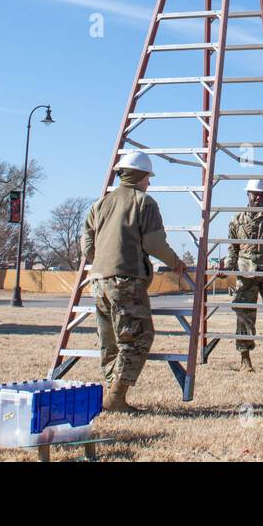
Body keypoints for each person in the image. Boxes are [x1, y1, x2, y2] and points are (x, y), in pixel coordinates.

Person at [80, 150, 185, 412]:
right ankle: (116, 396)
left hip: (99, 281)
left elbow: (87, 246)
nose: (149, 182)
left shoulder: (100, 204)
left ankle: (111, 391)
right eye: (148, 177)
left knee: (110, 340)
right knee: (138, 338)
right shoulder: (144, 202)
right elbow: (154, 243)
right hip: (126, 281)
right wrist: (176, 263)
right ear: (139, 176)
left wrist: (102, 256)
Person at [222, 179, 263, 371]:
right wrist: (228, 267)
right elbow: (233, 248)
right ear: (248, 194)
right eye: (255, 194)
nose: (258, 197)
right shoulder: (237, 219)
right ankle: (245, 358)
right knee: (244, 315)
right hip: (245, 273)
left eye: (261, 194)